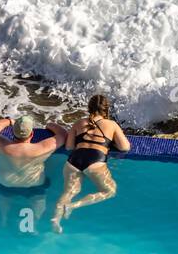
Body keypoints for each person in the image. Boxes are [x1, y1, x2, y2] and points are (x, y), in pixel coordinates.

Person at [51, 94, 131, 232]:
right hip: (95, 161)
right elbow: (125, 147)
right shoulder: (111, 124)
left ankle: (56, 219)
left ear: (89, 107)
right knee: (110, 191)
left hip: (74, 160)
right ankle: (73, 206)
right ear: (106, 110)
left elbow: (69, 147)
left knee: (69, 192)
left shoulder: (78, 122)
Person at [0, 114, 69, 229]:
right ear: (32, 134)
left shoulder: (1, 144)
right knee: (38, 202)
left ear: (13, 132)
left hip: (6, 183)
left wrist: (9, 121)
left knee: (4, 199)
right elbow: (63, 135)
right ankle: (34, 226)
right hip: (34, 184)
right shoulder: (41, 148)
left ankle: (3, 221)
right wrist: (49, 124)